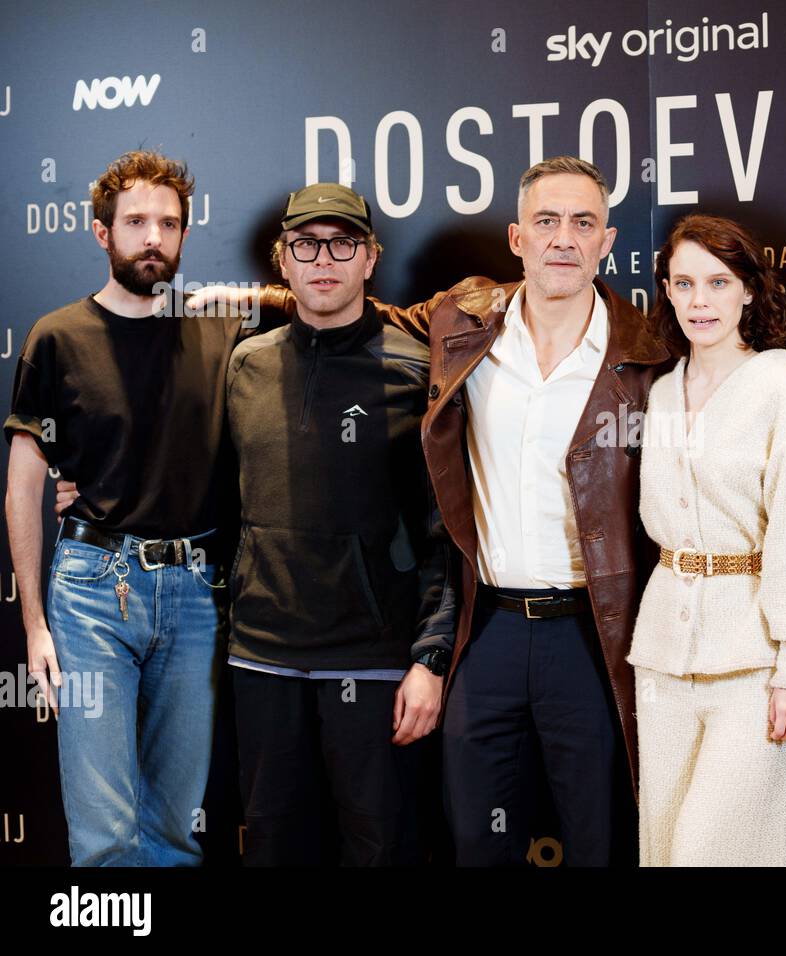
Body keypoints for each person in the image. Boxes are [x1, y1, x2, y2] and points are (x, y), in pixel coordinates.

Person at [240, 157, 671, 865]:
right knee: (476, 840)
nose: (564, 238)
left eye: (583, 223)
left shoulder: (646, 352)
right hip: (487, 630)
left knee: (600, 840)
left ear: (606, 241)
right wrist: (236, 297)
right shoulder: (461, 321)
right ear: (516, 238)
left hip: (593, 636)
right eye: (547, 221)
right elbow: (349, 305)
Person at [3, 150, 285, 866]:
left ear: (186, 234)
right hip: (92, 592)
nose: (153, 236)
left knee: (175, 833)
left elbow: (323, 305)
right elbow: (23, 486)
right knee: (103, 839)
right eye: (136, 222)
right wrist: (34, 625)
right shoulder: (56, 337)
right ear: (103, 233)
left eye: (168, 222)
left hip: (196, 594)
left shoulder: (221, 331)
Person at [222, 183, 455, 865]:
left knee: (380, 849)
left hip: (374, 659)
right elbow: (211, 496)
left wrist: (429, 658)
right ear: (283, 261)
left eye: (342, 243)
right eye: (306, 244)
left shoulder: (415, 373)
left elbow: (446, 532)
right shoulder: (245, 365)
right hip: (262, 653)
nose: (324, 259)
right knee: (272, 847)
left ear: (370, 257)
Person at [629, 214, 786, 866]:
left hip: (756, 668)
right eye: (685, 283)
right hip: (662, 661)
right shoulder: (662, 394)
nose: (701, 301)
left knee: (715, 855)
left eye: (719, 283)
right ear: (666, 291)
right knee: (664, 852)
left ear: (749, 291)